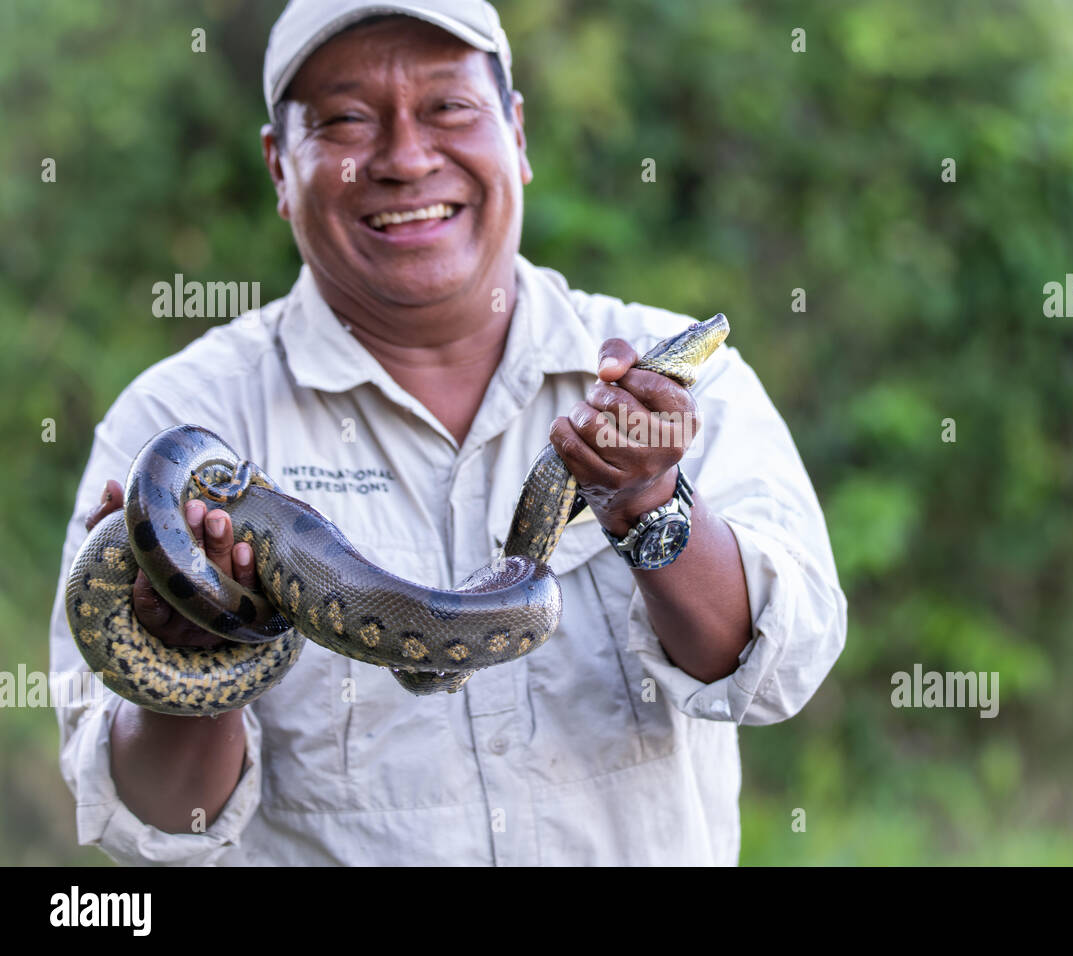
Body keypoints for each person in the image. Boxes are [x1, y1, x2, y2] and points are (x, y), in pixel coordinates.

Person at [49, 0, 846, 865]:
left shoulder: (678, 396)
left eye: (449, 108)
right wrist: (190, 659)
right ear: (280, 168)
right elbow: (156, 829)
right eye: (348, 119)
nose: (404, 157)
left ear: (516, 132)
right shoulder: (175, 415)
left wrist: (651, 503)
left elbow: (777, 672)